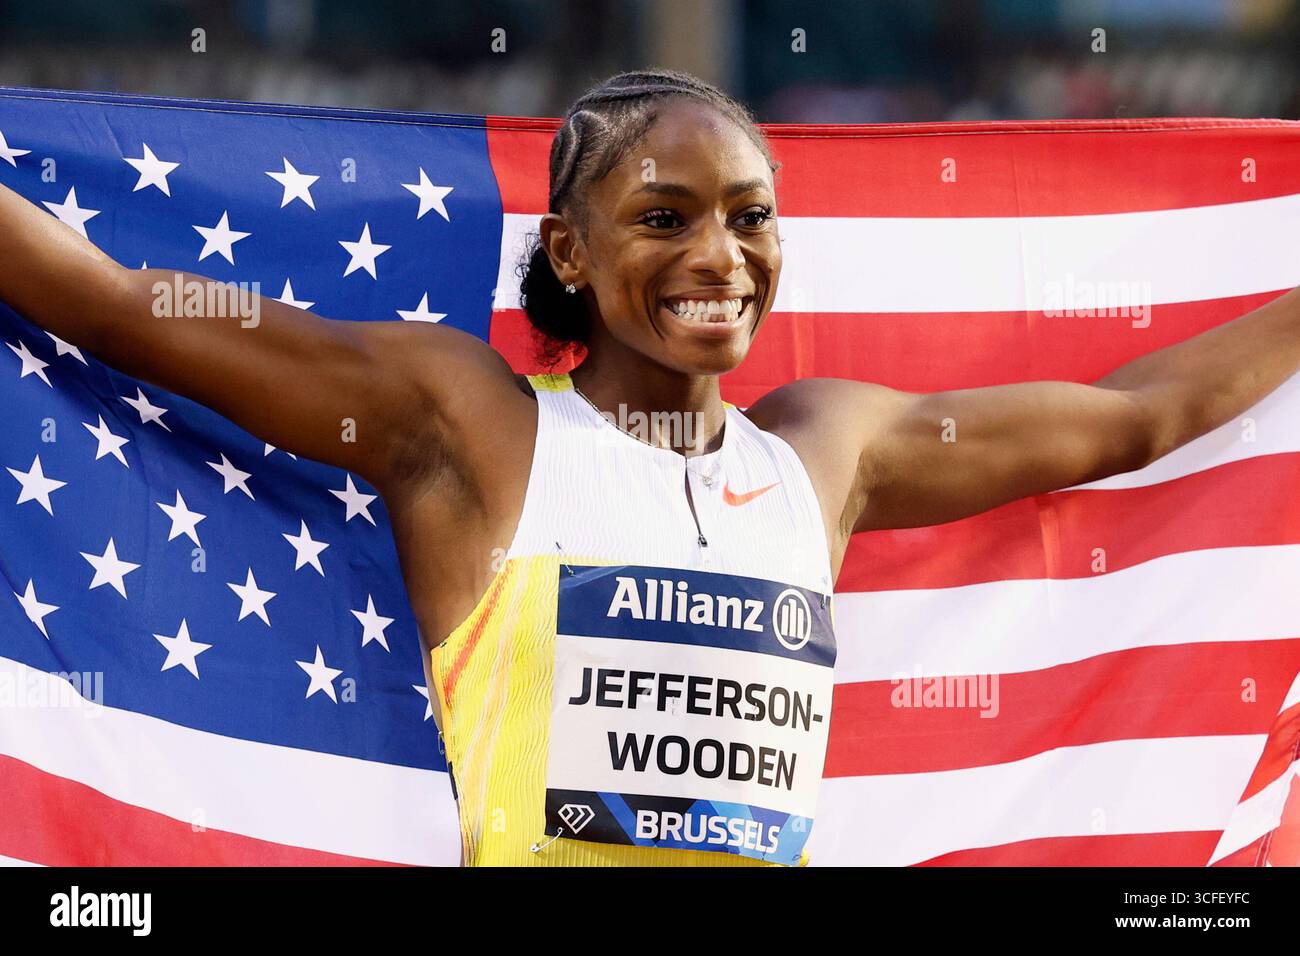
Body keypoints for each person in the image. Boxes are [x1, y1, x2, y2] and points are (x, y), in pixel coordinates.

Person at [2, 68, 1299, 867]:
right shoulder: (474, 430)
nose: (718, 256)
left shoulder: (829, 456)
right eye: (663, 219)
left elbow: (1142, 414)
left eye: (749, 216)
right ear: (568, 248)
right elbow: (119, 307)